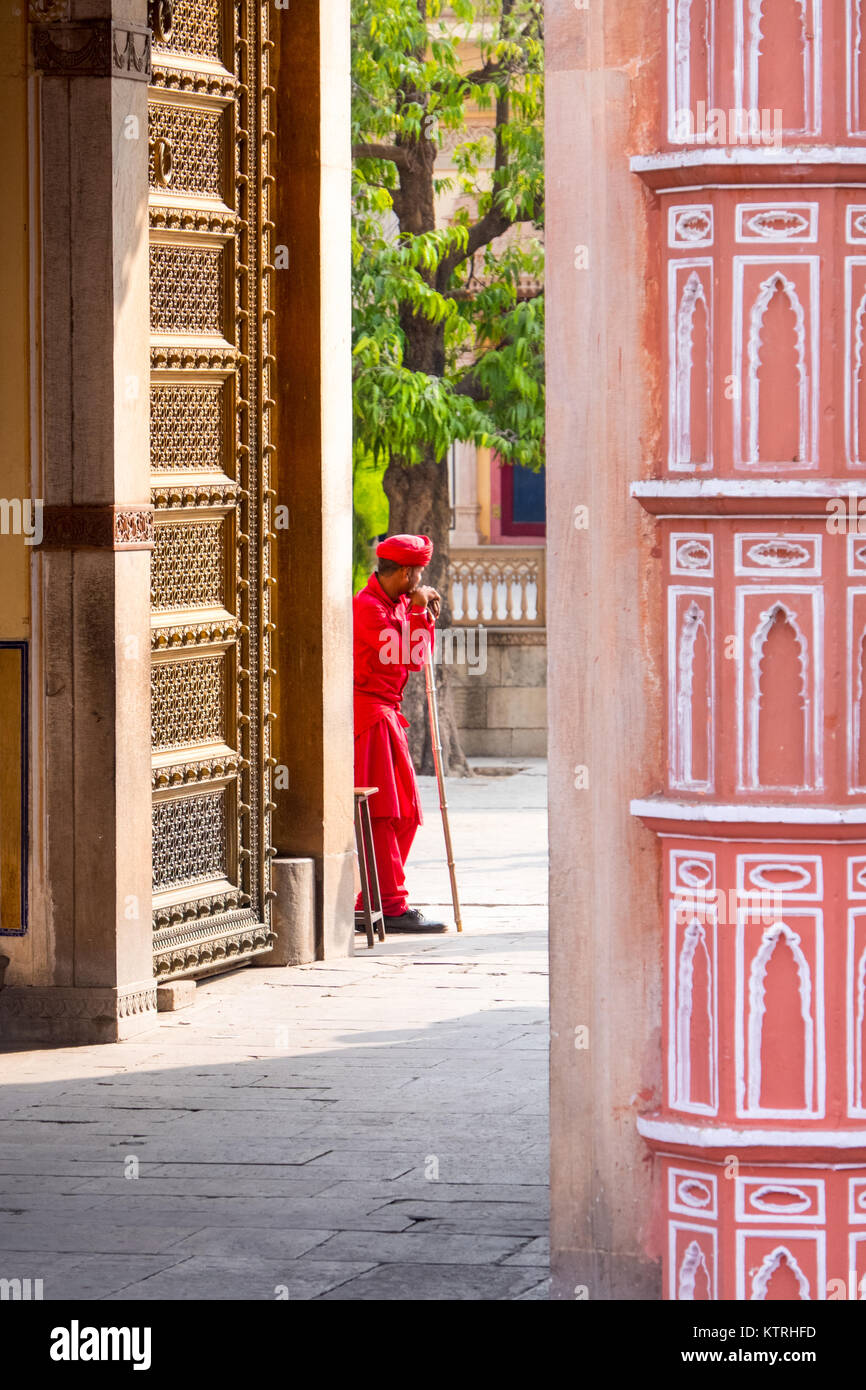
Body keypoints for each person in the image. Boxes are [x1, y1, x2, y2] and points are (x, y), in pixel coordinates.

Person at [353, 533, 448, 933]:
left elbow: (416, 657)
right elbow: (407, 655)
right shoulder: (368, 608)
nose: (421, 580)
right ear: (407, 572)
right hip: (369, 715)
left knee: (406, 812)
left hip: (387, 713)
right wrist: (419, 611)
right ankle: (389, 905)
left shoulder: (396, 604)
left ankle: (373, 899)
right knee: (382, 813)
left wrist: (419, 612)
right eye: (419, 573)